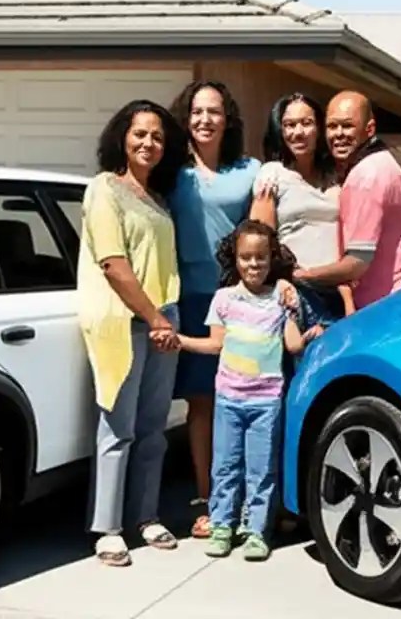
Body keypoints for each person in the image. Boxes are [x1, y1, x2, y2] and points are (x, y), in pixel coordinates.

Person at [78, 98, 189, 568]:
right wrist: (155, 318)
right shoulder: (105, 189)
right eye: (141, 133)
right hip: (124, 323)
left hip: (164, 320)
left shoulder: (158, 200)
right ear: (122, 136)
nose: (149, 142)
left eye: (158, 136)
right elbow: (114, 265)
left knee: (153, 429)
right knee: (117, 429)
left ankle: (146, 516)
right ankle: (107, 527)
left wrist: (166, 319)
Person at [175, 220, 311, 561]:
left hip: (266, 401)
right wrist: (180, 341)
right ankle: (222, 526)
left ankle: (256, 530)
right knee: (225, 465)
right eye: (246, 257)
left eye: (261, 258)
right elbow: (215, 344)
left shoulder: (281, 298)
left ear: (272, 258)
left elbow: (292, 345)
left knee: (262, 468)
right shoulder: (223, 299)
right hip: (229, 399)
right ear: (234, 259)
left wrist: (311, 334)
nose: (253, 264)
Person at [167, 80, 262, 538]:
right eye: (197, 111)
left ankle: (249, 499)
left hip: (238, 299)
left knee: (243, 400)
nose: (205, 119)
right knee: (202, 404)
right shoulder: (172, 173)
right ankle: (208, 499)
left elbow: (263, 232)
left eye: (215, 111)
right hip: (190, 299)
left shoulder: (250, 170)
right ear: (187, 118)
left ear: (229, 119)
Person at [294, 90, 401, 308]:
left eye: (347, 125)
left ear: (369, 129)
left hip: (389, 305)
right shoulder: (386, 161)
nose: (338, 134)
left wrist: (304, 276)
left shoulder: (366, 176)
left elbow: (357, 263)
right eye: (332, 126)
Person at [250, 93, 355, 328]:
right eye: (289, 125)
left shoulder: (337, 175)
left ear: (319, 128)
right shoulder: (273, 174)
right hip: (297, 291)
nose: (297, 132)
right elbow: (259, 239)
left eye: (306, 123)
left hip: (341, 291)